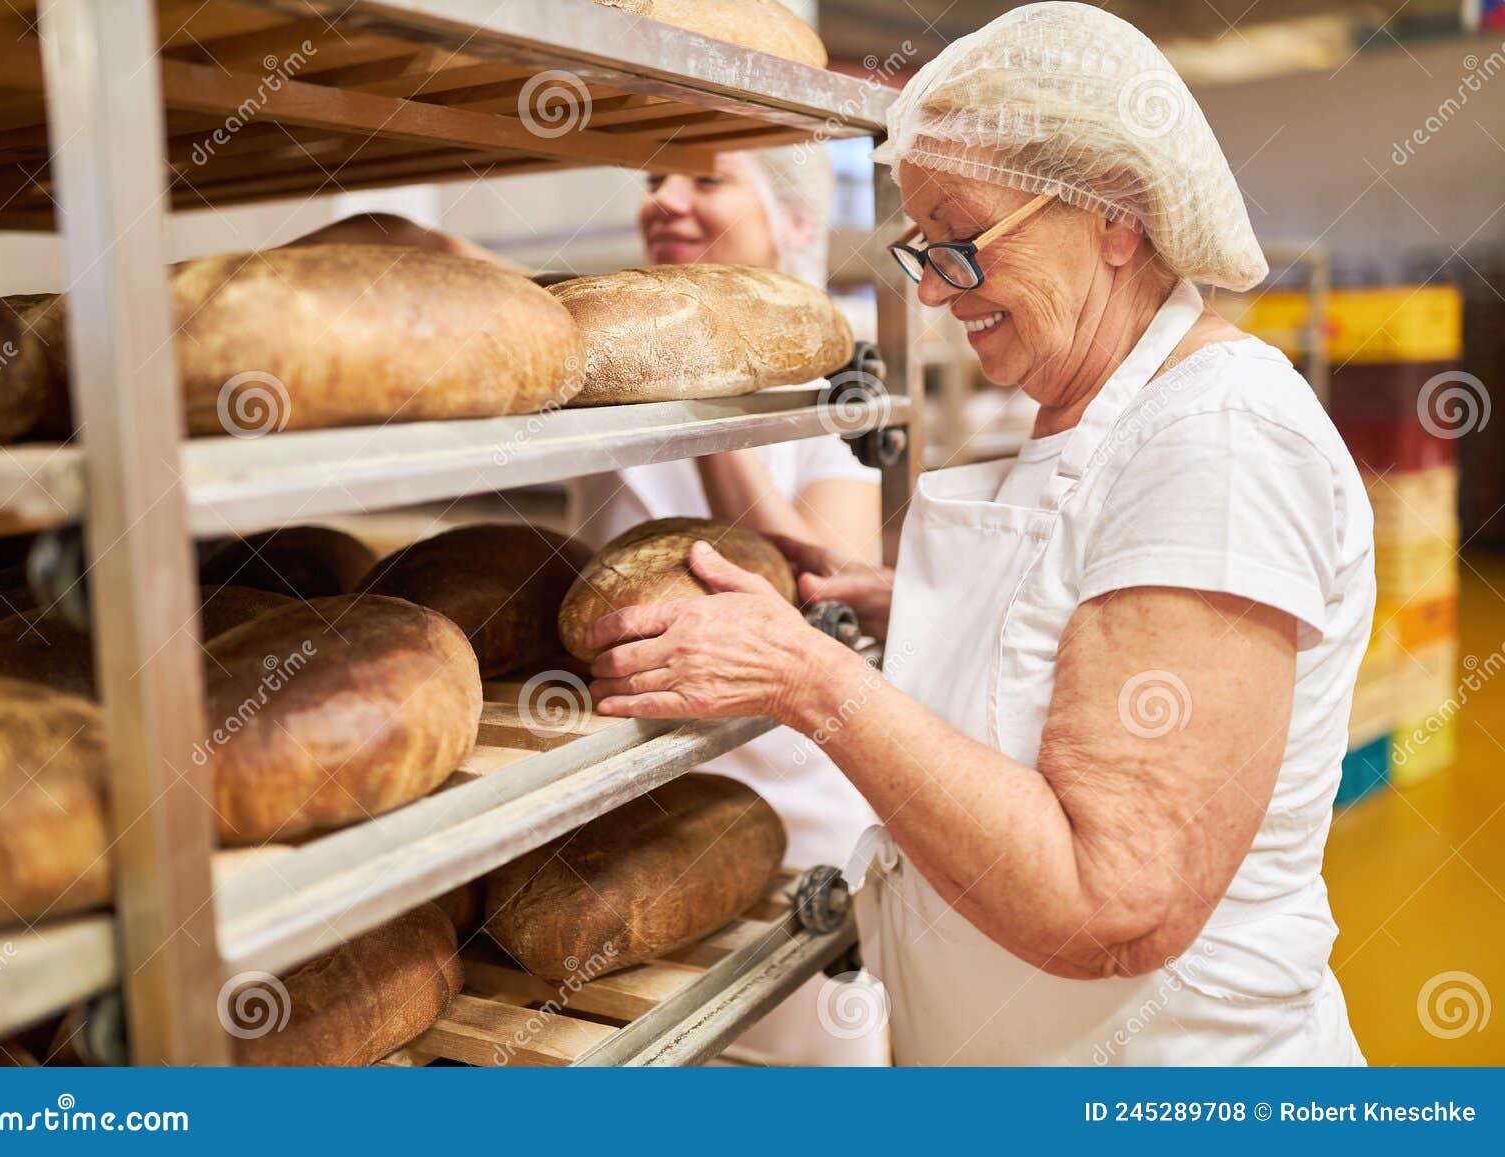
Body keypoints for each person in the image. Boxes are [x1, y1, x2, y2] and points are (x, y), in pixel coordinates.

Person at [580, 1, 1373, 1066]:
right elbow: (1087, 641)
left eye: (962, 239)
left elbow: (1111, 902)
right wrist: (903, 603)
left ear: (1115, 213)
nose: (940, 287)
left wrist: (812, 680)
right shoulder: (1095, 410)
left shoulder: (1215, 442)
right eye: (922, 247)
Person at [565, 145, 887, 1067]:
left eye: (705, 180)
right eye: (653, 179)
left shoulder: (839, 369)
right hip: (637, 817)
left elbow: (824, 586)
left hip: (801, 820)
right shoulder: (608, 362)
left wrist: (716, 396)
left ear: (789, 219)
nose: (662, 200)